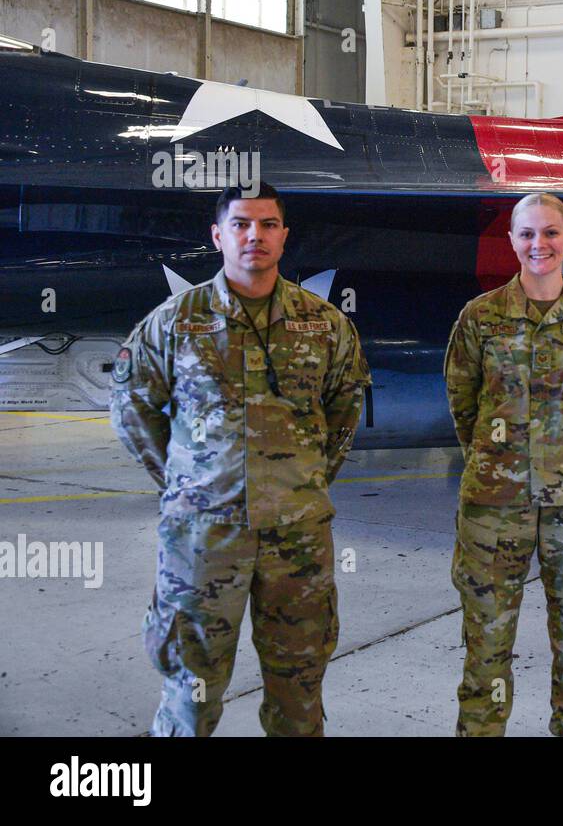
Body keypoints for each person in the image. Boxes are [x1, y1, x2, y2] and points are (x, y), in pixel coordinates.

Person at [111, 182, 370, 736]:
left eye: (268, 224)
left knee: (298, 691)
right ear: (218, 234)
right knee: (192, 690)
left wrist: (304, 481)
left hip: (297, 537)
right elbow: (133, 407)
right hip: (204, 537)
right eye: (242, 224)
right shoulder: (175, 321)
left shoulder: (323, 324)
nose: (255, 235)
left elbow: (345, 409)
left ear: (284, 235)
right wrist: (187, 483)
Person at [444, 192, 563, 737]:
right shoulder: (480, 319)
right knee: (486, 645)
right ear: (512, 241)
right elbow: (462, 403)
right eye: (527, 233)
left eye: (550, 233)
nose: (538, 244)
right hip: (494, 510)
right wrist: (497, 464)